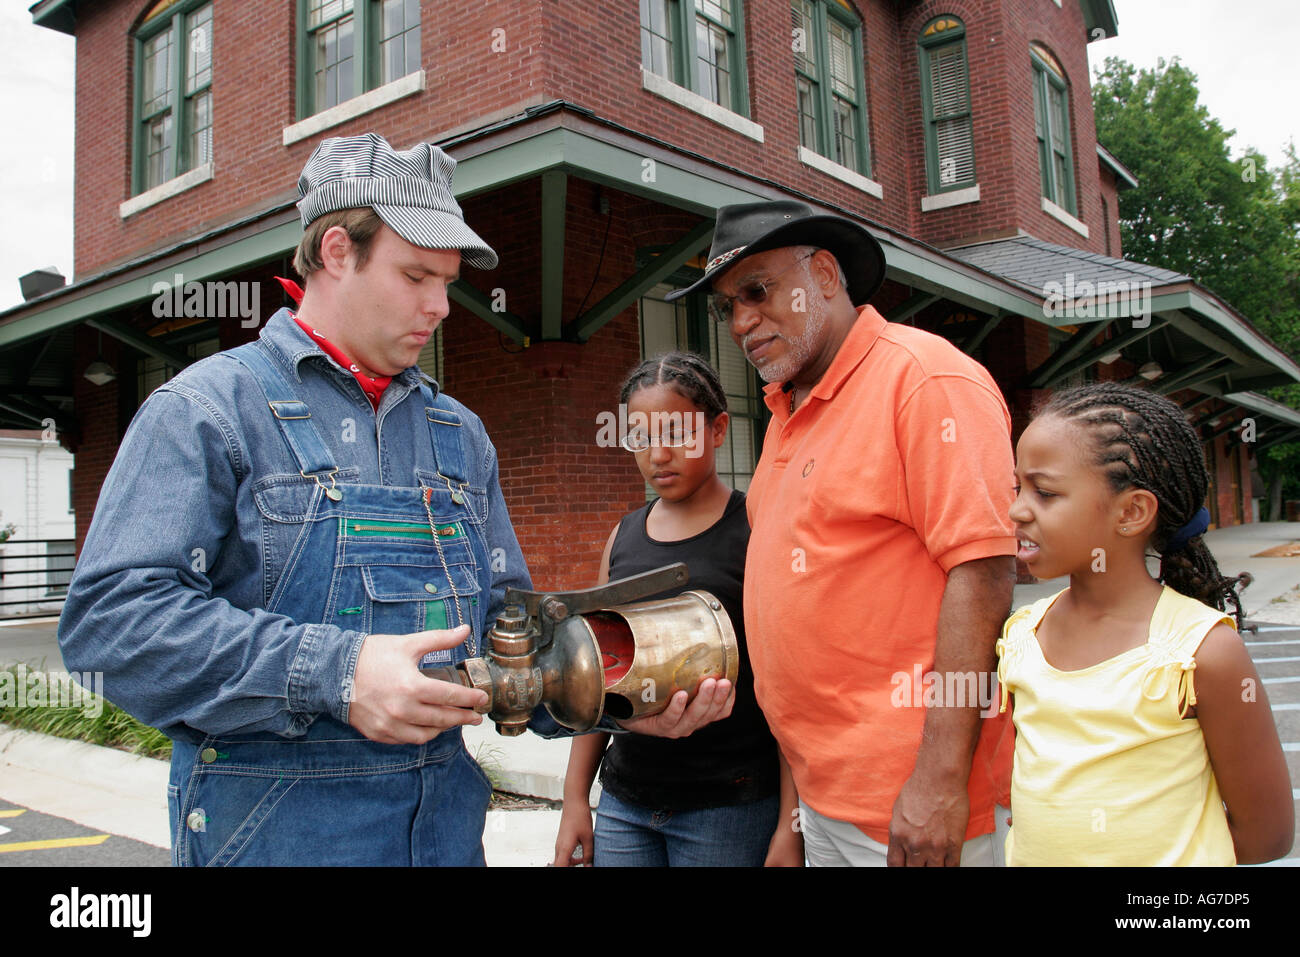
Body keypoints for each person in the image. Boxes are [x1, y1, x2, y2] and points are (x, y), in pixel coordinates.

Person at [58, 133, 532, 866]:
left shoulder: (460, 435)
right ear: (338, 251)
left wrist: (618, 684)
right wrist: (337, 673)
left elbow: (509, 623)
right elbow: (111, 627)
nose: (442, 305)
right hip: (271, 840)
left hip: (445, 838)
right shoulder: (209, 410)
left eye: (448, 280)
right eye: (416, 275)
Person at [664, 199, 1018, 866]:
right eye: (725, 306)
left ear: (824, 273)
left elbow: (985, 573)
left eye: (757, 290)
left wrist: (940, 779)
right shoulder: (785, 411)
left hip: (917, 809)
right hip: (826, 799)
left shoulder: (923, 379)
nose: (740, 321)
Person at [997, 383, 1293, 865]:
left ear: (1131, 512)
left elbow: (1267, 835)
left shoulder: (1201, 652)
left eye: (1045, 493)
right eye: (1018, 488)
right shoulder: (1022, 634)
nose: (1016, 510)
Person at [551, 353, 801, 867]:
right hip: (625, 804)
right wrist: (575, 799)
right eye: (641, 437)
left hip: (730, 806)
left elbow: (791, 688)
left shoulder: (757, 532)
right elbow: (595, 672)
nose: (658, 454)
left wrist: (789, 825)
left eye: (675, 432)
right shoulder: (623, 537)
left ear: (717, 429)